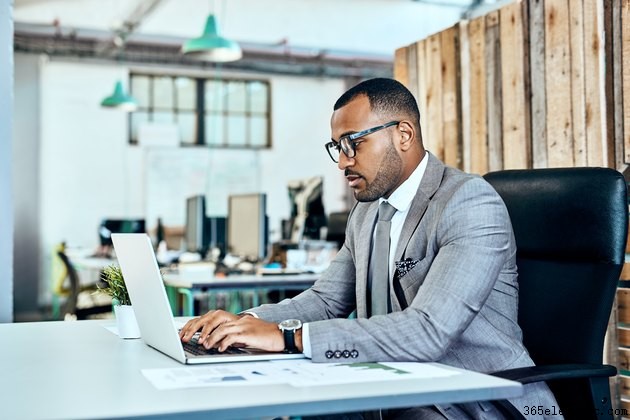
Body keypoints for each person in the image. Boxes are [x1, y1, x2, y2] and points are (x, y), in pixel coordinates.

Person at [179, 78, 560, 419]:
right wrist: (241, 322)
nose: (343, 162)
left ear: (404, 135)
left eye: (353, 144)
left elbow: (428, 331)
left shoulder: (467, 202)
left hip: (470, 400)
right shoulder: (366, 214)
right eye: (337, 147)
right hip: (388, 387)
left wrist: (290, 337)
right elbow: (326, 301)